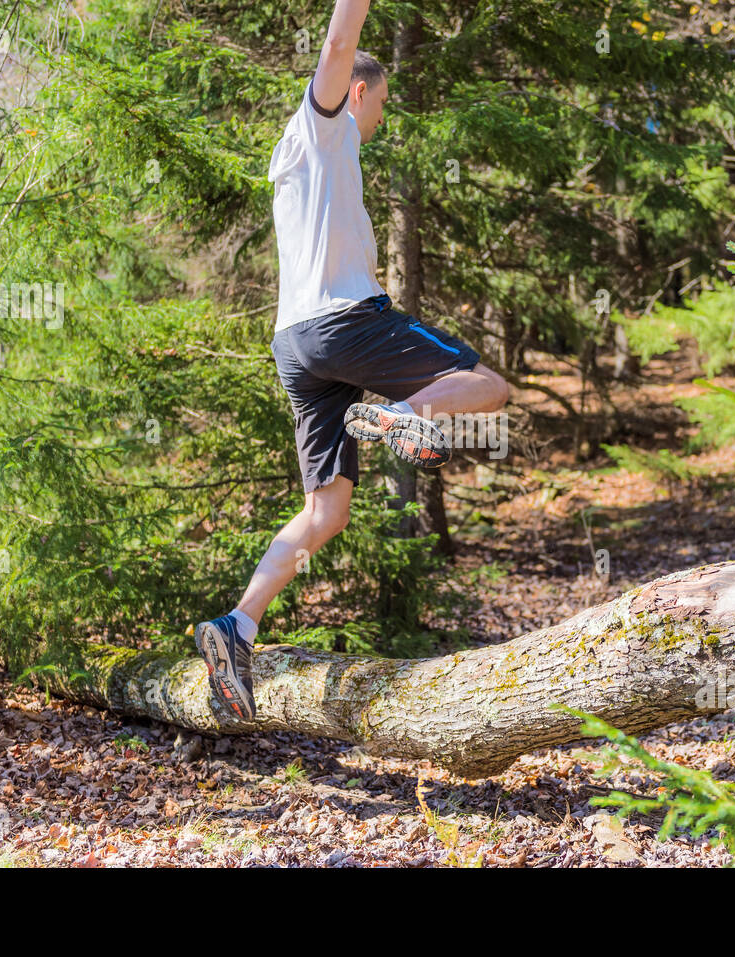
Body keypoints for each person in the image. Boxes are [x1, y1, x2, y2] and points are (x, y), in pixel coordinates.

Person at [193, 0, 509, 719]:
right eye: (383, 104)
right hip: (341, 323)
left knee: (325, 511)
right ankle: (401, 419)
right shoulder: (325, 124)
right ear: (358, 92)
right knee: (487, 385)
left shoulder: (297, 159)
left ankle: (236, 626)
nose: (382, 118)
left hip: (296, 349)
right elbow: (340, 39)